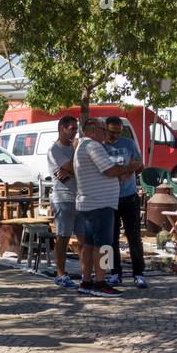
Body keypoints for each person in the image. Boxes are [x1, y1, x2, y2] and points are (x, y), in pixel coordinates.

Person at [73, 117, 142, 297]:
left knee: (89, 245)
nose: (106, 135)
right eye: (104, 130)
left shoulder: (82, 146)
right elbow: (109, 171)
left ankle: (87, 281)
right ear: (94, 129)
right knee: (105, 246)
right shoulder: (93, 146)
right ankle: (101, 283)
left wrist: (121, 172)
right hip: (100, 204)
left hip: (90, 203)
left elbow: (104, 174)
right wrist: (129, 167)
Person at [103, 116, 148, 289]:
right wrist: (126, 169)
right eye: (111, 132)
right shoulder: (99, 146)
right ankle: (112, 272)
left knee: (134, 236)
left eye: (118, 133)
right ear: (105, 130)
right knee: (109, 238)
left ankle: (139, 273)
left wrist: (129, 171)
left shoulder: (128, 143)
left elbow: (139, 164)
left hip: (129, 195)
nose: (115, 136)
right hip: (108, 197)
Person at [46, 115, 80, 288]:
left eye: (76, 128)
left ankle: (87, 272)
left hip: (81, 197)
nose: (75, 132)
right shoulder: (55, 150)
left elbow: (79, 170)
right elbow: (66, 168)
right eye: (72, 128)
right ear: (61, 129)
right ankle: (60, 274)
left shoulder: (77, 148)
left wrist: (73, 170)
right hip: (63, 197)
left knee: (83, 236)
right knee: (63, 236)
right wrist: (73, 166)